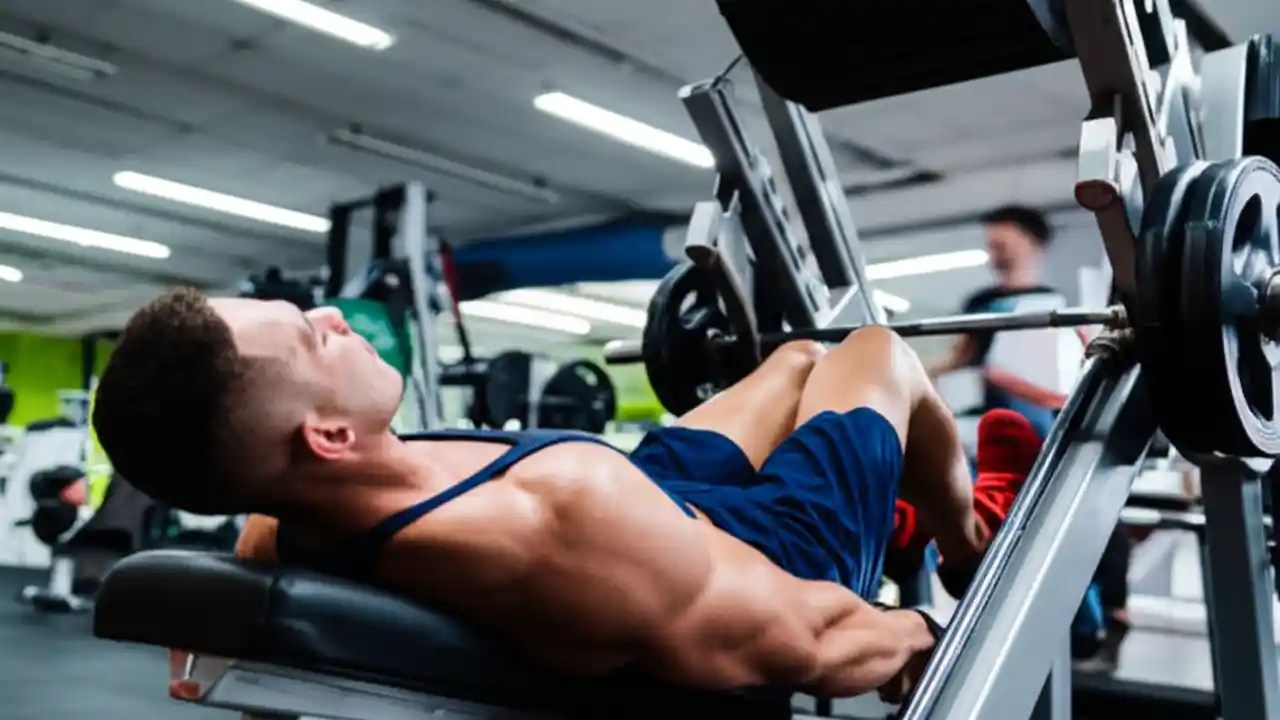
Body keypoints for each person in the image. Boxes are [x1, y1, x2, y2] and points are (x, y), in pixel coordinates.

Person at [91, 288, 1042, 700]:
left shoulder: (283, 512)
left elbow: (254, 542)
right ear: (327, 437)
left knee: (799, 360)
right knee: (874, 351)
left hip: (658, 506)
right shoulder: (558, 525)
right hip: (778, 554)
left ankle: (904, 500)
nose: (335, 317)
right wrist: (940, 634)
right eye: (311, 337)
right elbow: (804, 639)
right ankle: (969, 536)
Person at [926, 205, 1060, 436]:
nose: (995, 252)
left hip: (1045, 407)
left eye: (1002, 245)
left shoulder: (1056, 302)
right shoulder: (982, 302)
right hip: (995, 408)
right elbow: (961, 354)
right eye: (992, 246)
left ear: (1032, 241)